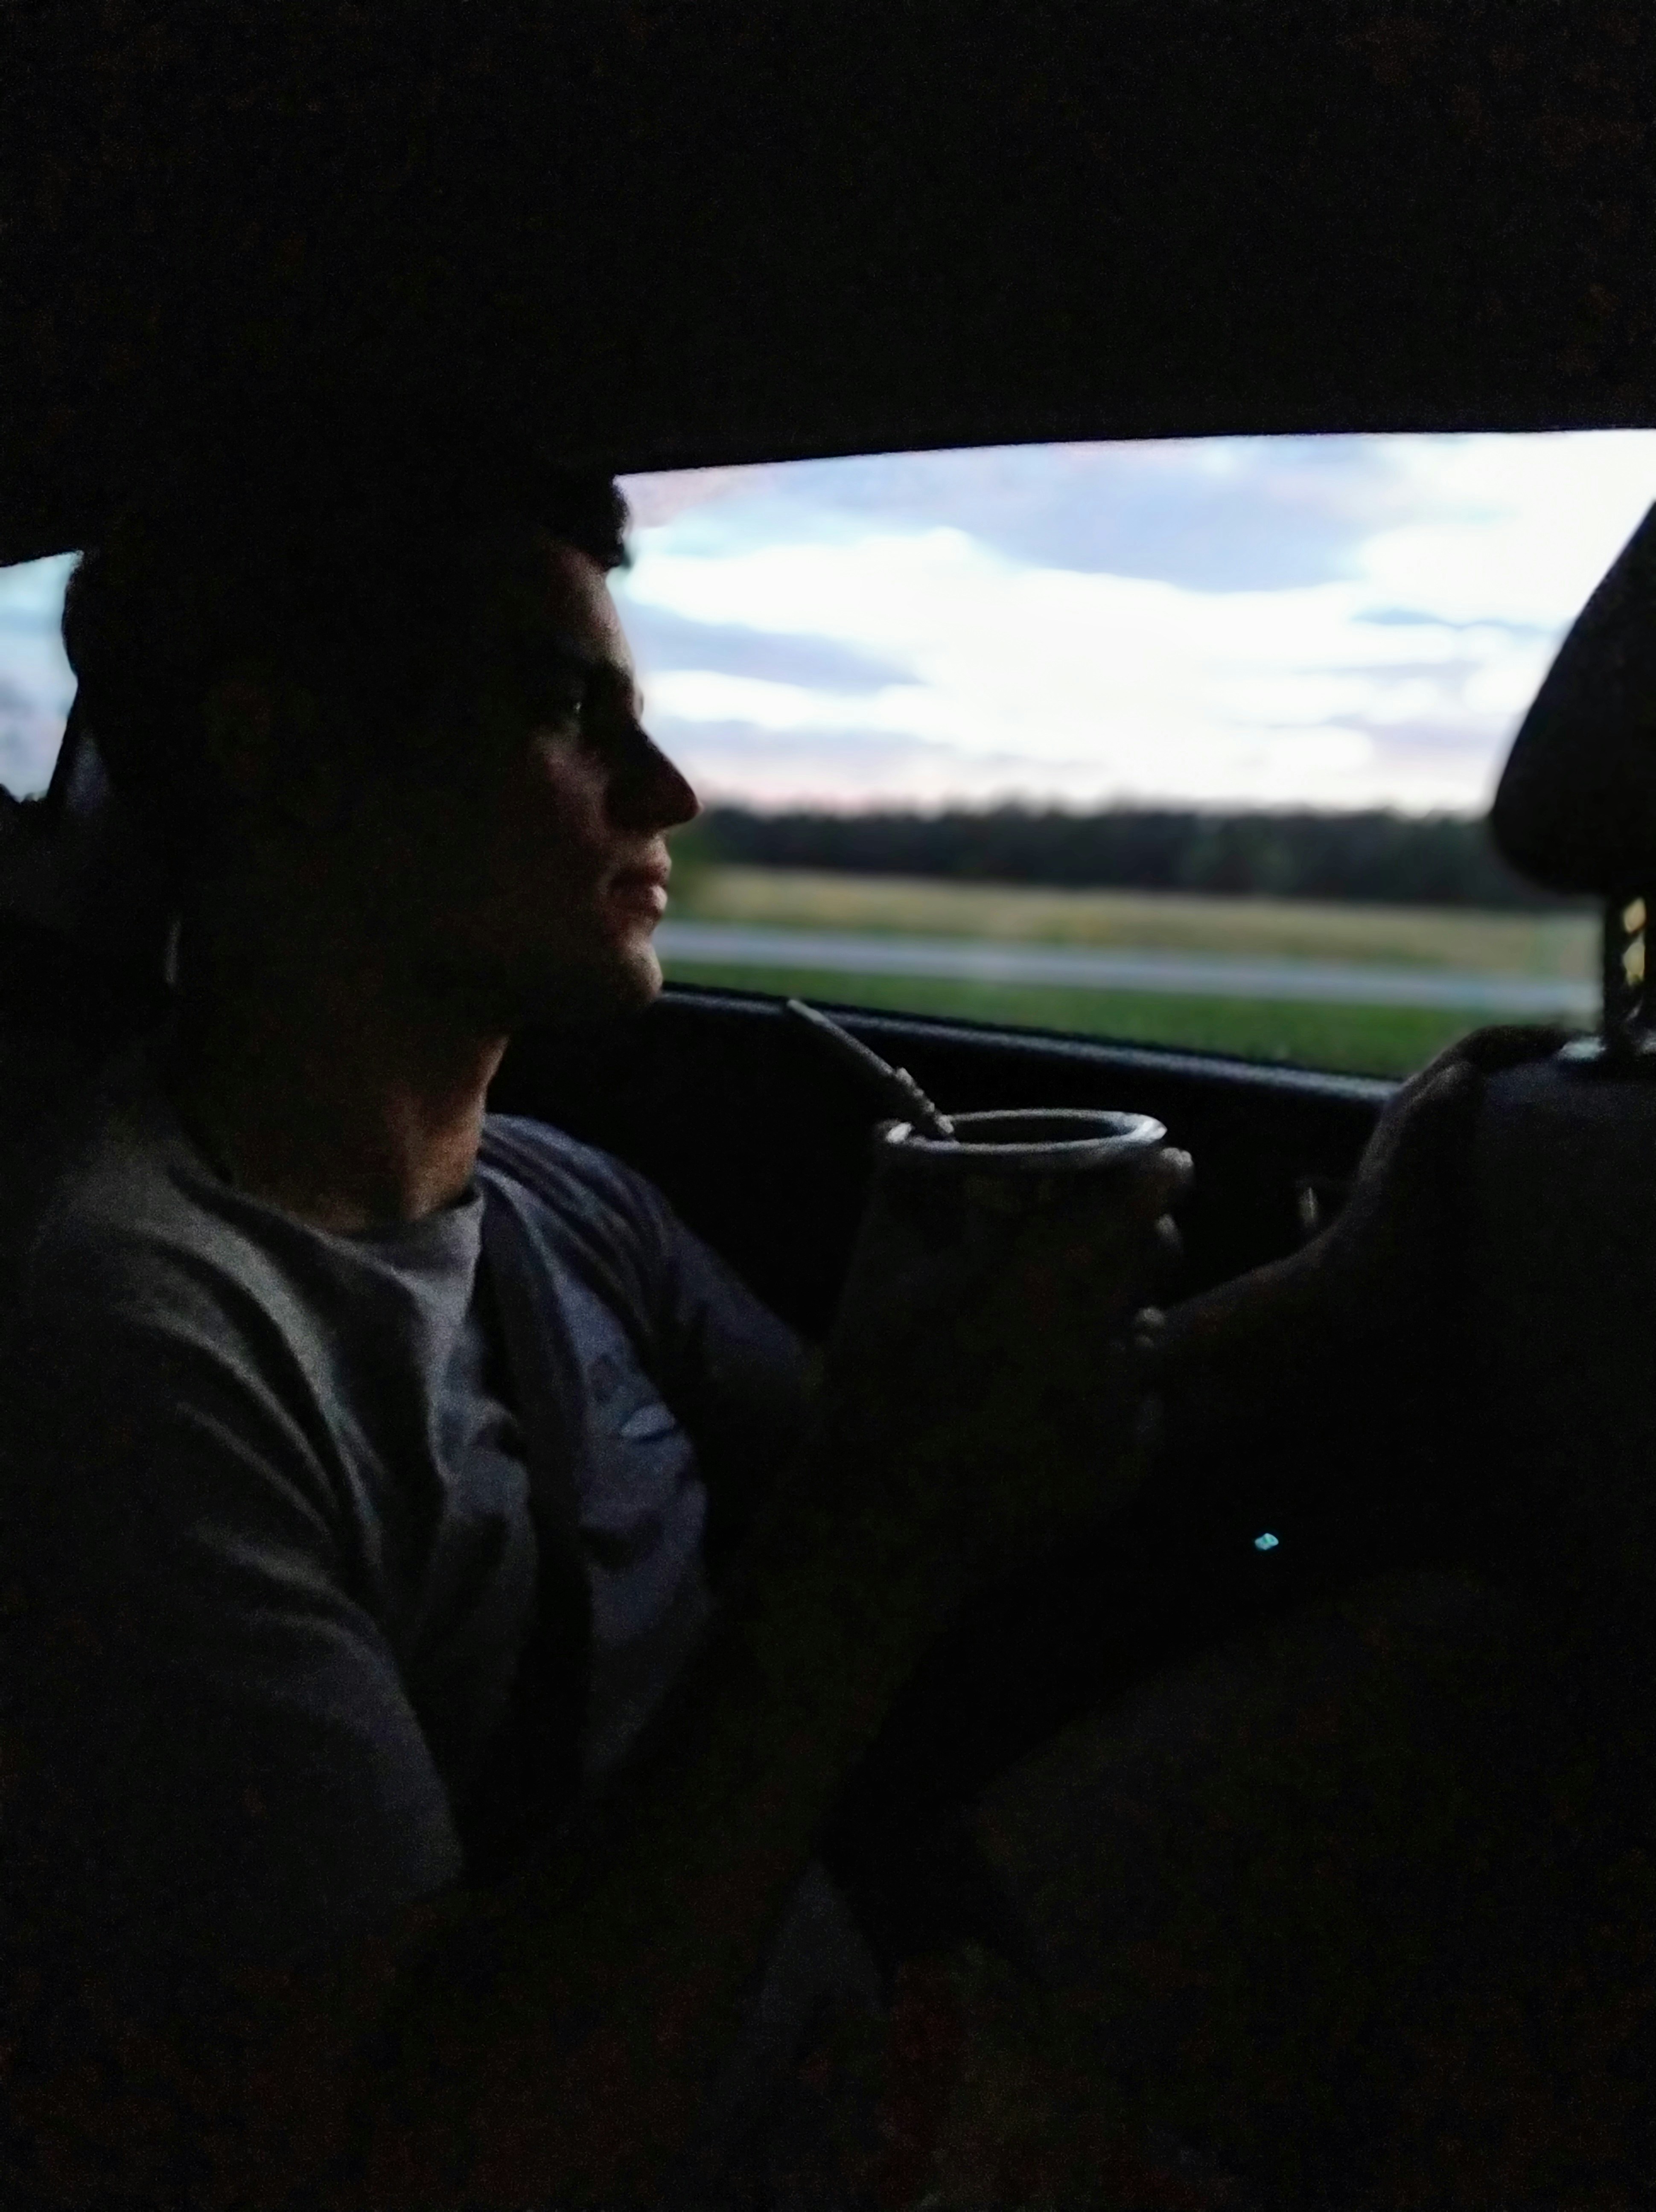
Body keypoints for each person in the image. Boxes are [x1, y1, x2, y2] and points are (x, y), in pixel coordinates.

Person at [0, 454, 1553, 2211]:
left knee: (1478, 1672)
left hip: (851, 2021)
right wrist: (867, 1547)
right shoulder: (125, 1361)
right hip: (721, 2137)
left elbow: (907, 1473)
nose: (664, 790)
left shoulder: (555, 1199)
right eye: (564, 711)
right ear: (278, 751)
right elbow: (414, 2159)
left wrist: (1347, 1282)